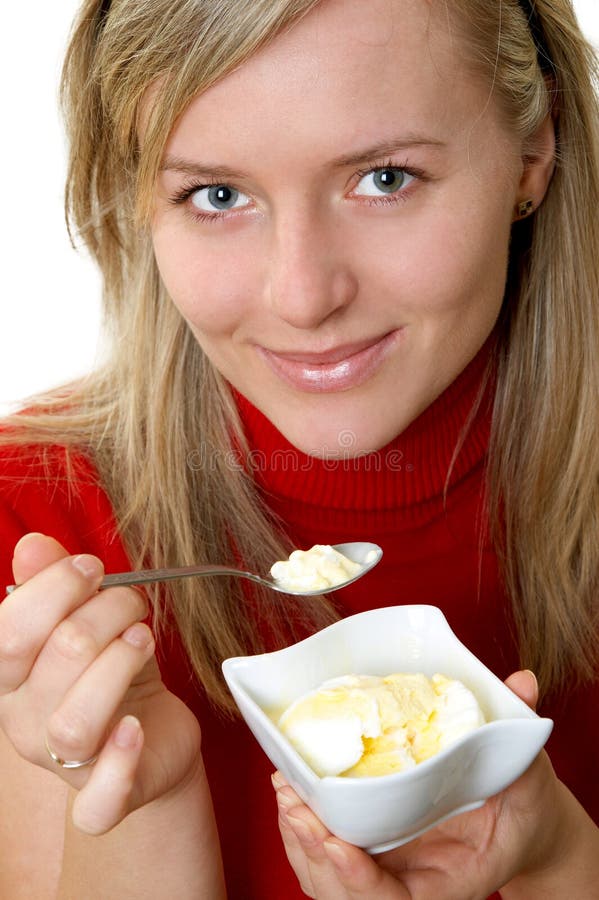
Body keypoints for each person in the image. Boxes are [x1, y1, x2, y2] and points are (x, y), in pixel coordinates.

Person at [0, 0, 598, 897]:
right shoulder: (34, 519)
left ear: (532, 153)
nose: (303, 296)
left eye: (385, 179)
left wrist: (557, 861)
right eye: (217, 195)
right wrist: (139, 802)